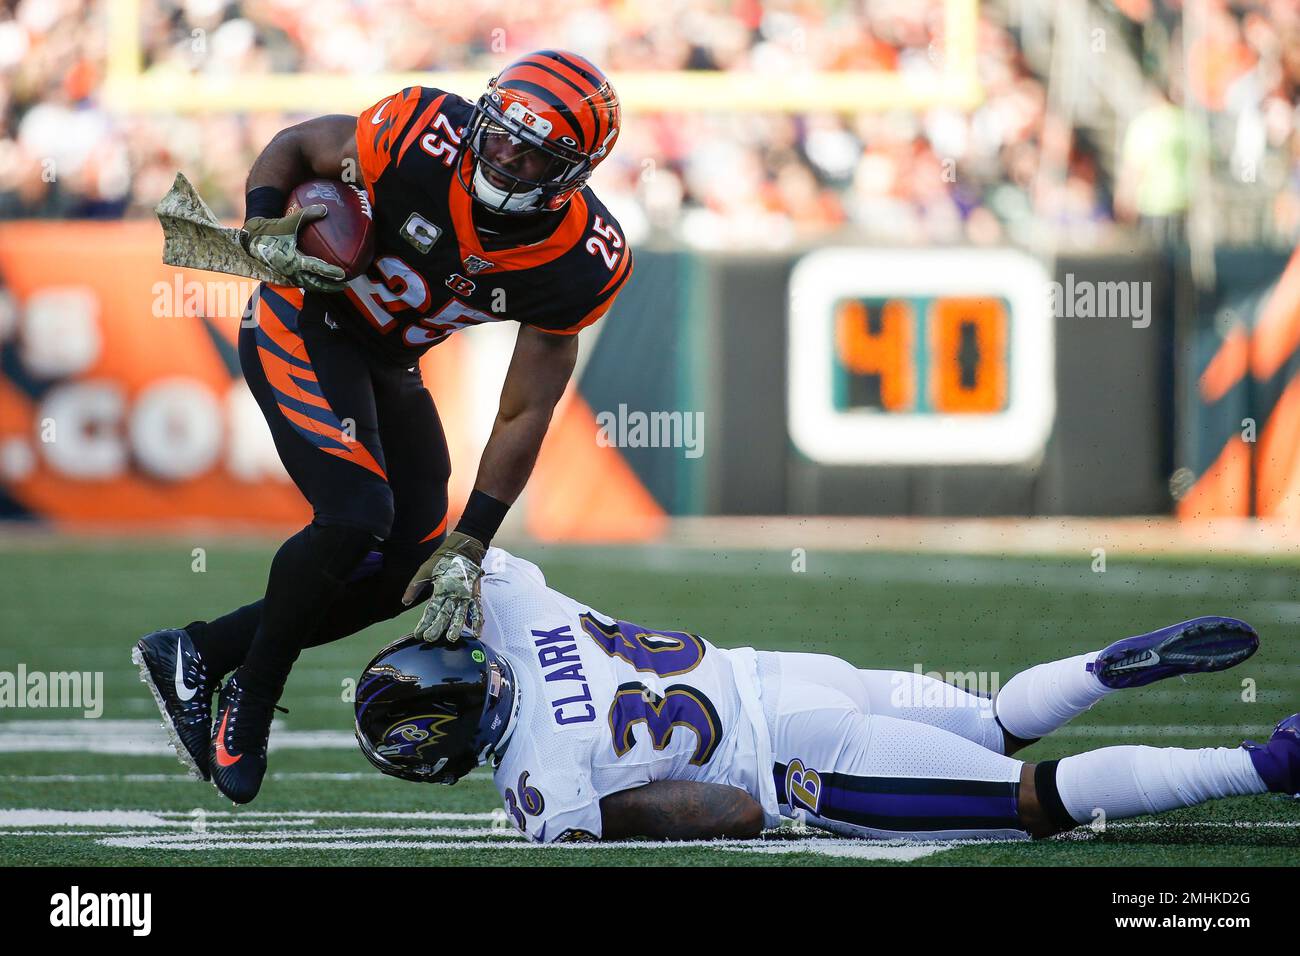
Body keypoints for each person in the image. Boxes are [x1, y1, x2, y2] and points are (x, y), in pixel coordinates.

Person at [134, 52, 633, 804]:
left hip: (390, 359)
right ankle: (253, 698)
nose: (505, 157)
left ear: (574, 174)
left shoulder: (580, 258)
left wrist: (476, 538)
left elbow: (526, 405)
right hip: (305, 317)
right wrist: (265, 220)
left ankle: (199, 651)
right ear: (482, 114)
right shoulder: (423, 129)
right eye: (499, 136)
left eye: (533, 154)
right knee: (355, 515)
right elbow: (300, 144)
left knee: (417, 564)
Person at [354, 549, 1296, 842]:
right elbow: (453, 553)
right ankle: (1097, 669)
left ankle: (1268, 762)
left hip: (798, 759)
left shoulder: (538, 787)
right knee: (998, 722)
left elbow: (729, 809)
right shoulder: (518, 606)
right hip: (789, 671)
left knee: (1036, 802)